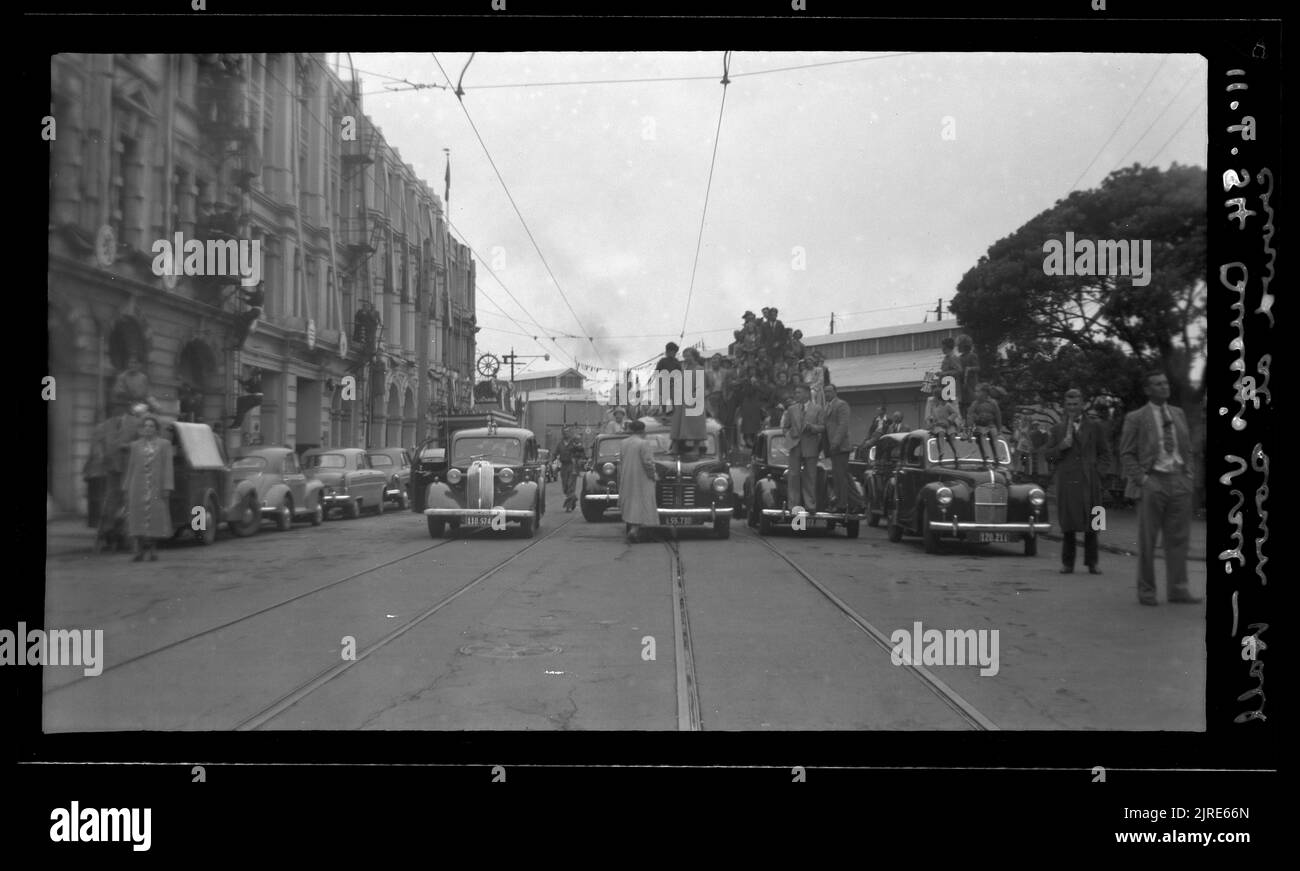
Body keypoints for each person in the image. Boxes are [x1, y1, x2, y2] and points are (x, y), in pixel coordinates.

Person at [1120, 370, 1200, 605]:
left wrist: (1189, 475)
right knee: (1148, 541)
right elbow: (1126, 453)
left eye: (1165, 382)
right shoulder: (1136, 418)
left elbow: (1187, 449)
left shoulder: (1178, 414)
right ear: (1147, 390)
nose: (1164, 387)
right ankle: (1146, 591)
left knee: (1178, 539)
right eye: (1157, 384)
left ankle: (1178, 589)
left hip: (1179, 481)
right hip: (1152, 482)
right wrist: (1143, 480)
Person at [1044, 389, 1110, 575]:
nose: (1072, 408)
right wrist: (1061, 447)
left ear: (1082, 405)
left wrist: (1099, 474)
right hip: (1068, 482)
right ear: (1065, 406)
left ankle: (1092, 563)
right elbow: (1047, 457)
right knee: (1068, 524)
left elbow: (1105, 453)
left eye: (1076, 404)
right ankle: (1068, 564)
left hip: (1091, 481)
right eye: (1069, 405)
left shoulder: (1095, 427)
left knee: (1095, 522)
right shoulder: (1057, 429)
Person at [123, 415, 174, 562]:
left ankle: (153, 550)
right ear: (141, 429)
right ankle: (138, 551)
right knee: (137, 517)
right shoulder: (135, 446)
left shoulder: (164, 445)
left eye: (151, 426)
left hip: (156, 487)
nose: (148, 429)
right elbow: (131, 467)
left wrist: (167, 486)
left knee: (155, 518)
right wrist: (126, 488)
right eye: (145, 426)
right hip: (137, 487)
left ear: (156, 429)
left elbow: (168, 468)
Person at [96, 402, 145, 551]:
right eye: (113, 407)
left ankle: (130, 541)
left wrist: (128, 446)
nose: (116, 410)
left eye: (119, 405)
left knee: (129, 501)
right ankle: (107, 537)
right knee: (110, 502)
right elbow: (100, 445)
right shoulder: (104, 426)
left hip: (130, 468)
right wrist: (102, 456)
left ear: (125, 408)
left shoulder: (136, 423)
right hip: (112, 469)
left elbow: (143, 442)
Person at [780, 383, 825, 512]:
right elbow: (785, 427)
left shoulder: (818, 409)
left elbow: (823, 427)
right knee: (793, 476)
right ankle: (793, 506)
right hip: (795, 446)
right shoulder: (791, 409)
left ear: (806, 393)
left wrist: (812, 427)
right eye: (796, 392)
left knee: (810, 476)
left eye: (799, 392)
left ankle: (810, 505)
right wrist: (789, 434)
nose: (796, 395)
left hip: (811, 446)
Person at [618, 420, 659, 543]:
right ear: (642, 431)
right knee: (642, 502)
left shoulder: (623, 443)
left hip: (627, 476)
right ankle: (635, 530)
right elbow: (648, 462)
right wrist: (653, 475)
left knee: (630, 502)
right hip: (641, 478)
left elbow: (620, 460)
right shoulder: (644, 443)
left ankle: (633, 528)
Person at [822, 384, 858, 513]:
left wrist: (835, 443)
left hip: (840, 447)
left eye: (830, 391)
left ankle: (842, 504)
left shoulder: (841, 405)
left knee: (840, 477)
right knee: (841, 476)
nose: (827, 394)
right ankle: (856, 502)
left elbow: (843, 426)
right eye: (825, 392)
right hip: (833, 447)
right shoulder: (827, 407)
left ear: (835, 392)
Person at [671, 347, 708, 454]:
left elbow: (701, 388)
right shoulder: (684, 369)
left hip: (694, 401)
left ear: (694, 356)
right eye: (685, 356)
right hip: (681, 401)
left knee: (695, 425)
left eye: (689, 356)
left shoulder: (699, 369)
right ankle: (675, 447)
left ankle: (696, 449)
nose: (686, 358)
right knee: (677, 423)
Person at [967, 382, 1003, 464]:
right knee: (982, 434)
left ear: (984, 393)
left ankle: (998, 456)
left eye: (978, 391)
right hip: (980, 425)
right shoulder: (975, 404)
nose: (976, 393)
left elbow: (998, 416)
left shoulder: (992, 403)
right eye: (976, 392)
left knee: (994, 434)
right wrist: (969, 429)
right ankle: (986, 455)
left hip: (990, 424)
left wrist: (999, 429)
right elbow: (970, 416)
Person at [558, 426, 586, 511]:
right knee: (565, 487)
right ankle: (573, 498)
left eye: (567, 432)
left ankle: (569, 506)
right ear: (562, 433)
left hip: (572, 465)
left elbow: (582, 451)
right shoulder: (560, 443)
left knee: (571, 486)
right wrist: (551, 461)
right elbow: (555, 452)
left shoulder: (574, 442)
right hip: (564, 466)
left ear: (569, 433)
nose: (565, 433)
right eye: (564, 432)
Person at [956, 334, 980, 415]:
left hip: (971, 385)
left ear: (964, 346)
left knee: (971, 405)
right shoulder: (959, 358)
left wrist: (970, 368)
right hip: (961, 386)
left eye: (959, 345)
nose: (957, 347)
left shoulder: (972, 355)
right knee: (962, 406)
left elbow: (978, 368)